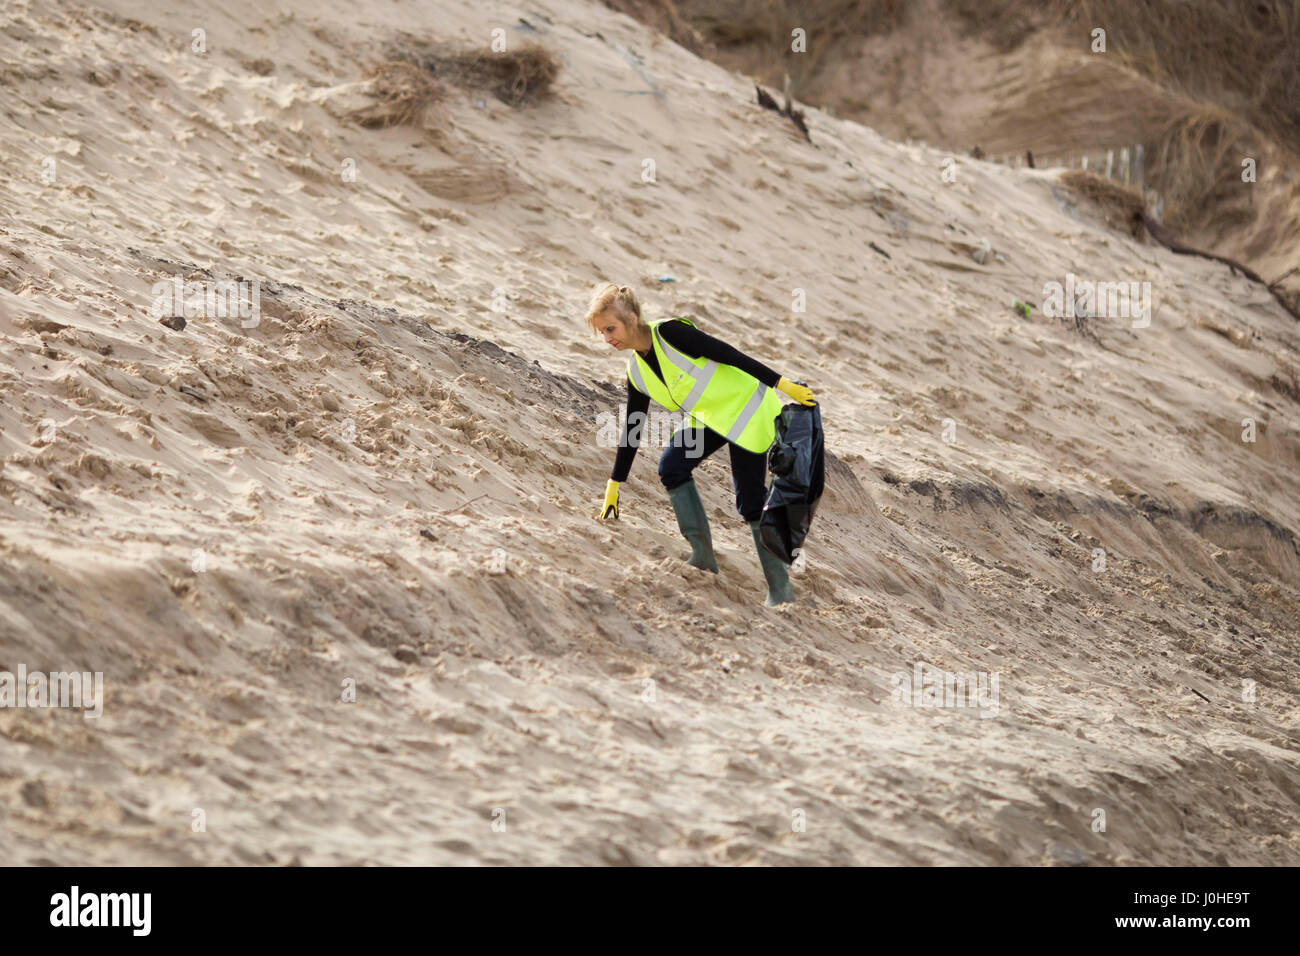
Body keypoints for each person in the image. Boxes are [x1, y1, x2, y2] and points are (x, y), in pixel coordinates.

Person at [584, 282, 817, 606]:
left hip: (745, 410)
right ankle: (702, 555)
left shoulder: (672, 334)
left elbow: (730, 355)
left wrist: (781, 383)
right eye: (602, 333)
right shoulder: (636, 371)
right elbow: (633, 426)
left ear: (632, 318)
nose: (608, 339)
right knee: (672, 466)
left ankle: (780, 588)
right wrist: (614, 483)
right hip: (711, 419)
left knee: (750, 502)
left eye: (611, 328)